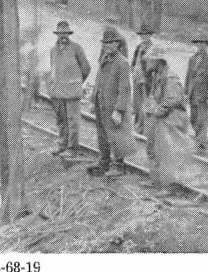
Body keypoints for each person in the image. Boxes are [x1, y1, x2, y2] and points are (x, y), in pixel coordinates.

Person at [143, 44, 192, 194]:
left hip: (172, 119)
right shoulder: (157, 75)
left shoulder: (170, 77)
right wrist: (150, 107)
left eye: (151, 60)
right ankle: (156, 179)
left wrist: (157, 110)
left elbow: (173, 99)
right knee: (152, 147)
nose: (148, 62)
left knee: (168, 152)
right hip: (161, 118)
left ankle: (171, 186)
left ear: (159, 61)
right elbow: (155, 96)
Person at [88, 28, 137, 177]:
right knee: (102, 133)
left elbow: (125, 89)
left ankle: (118, 165)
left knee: (117, 134)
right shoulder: (104, 59)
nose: (108, 46)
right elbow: (98, 80)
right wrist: (93, 98)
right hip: (101, 102)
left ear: (117, 43)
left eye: (111, 43)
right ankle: (104, 161)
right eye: (105, 43)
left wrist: (119, 109)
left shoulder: (122, 63)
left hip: (113, 105)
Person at [47, 21, 91, 159]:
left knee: (73, 121)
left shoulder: (76, 48)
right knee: (61, 120)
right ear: (57, 35)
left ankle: (73, 148)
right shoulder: (53, 50)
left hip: (72, 92)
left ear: (69, 34)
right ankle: (62, 144)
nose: (63, 36)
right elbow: (53, 69)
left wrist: (77, 82)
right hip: (58, 91)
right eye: (60, 34)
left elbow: (86, 68)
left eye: (65, 33)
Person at [185, 30, 208, 154]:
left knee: (201, 120)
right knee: (193, 119)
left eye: (203, 43)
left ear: (206, 45)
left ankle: (201, 146)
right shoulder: (192, 59)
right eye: (198, 43)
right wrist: (185, 92)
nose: (200, 45)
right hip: (192, 94)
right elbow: (188, 76)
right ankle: (199, 140)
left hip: (203, 96)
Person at [131, 23, 155, 134]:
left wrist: (148, 78)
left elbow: (154, 67)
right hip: (136, 79)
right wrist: (133, 71)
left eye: (146, 35)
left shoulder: (152, 49)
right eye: (142, 35)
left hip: (146, 81)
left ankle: (142, 128)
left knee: (143, 105)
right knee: (136, 104)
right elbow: (134, 61)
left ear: (150, 35)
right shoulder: (139, 47)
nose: (144, 37)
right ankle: (137, 125)